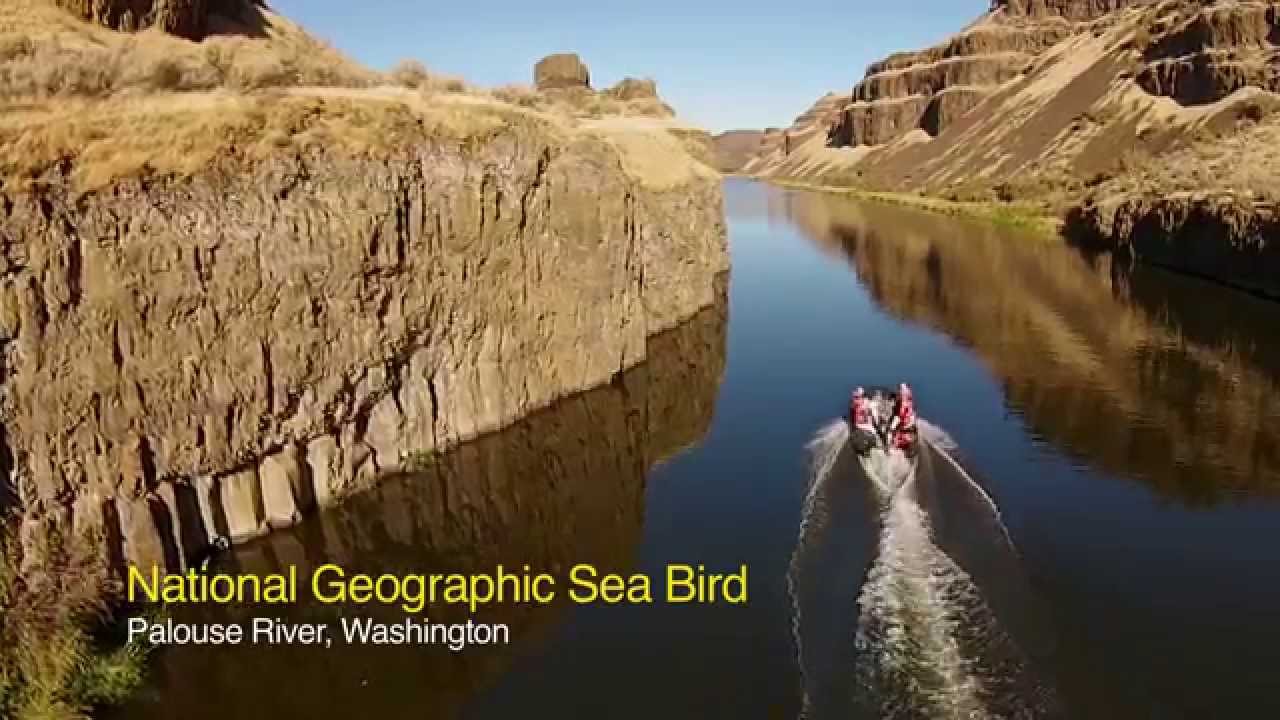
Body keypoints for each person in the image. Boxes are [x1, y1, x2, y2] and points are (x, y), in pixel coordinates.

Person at [890, 383, 918, 454]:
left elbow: (902, 413)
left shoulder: (905, 403)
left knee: (894, 431)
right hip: (905, 423)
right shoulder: (904, 401)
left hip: (906, 423)